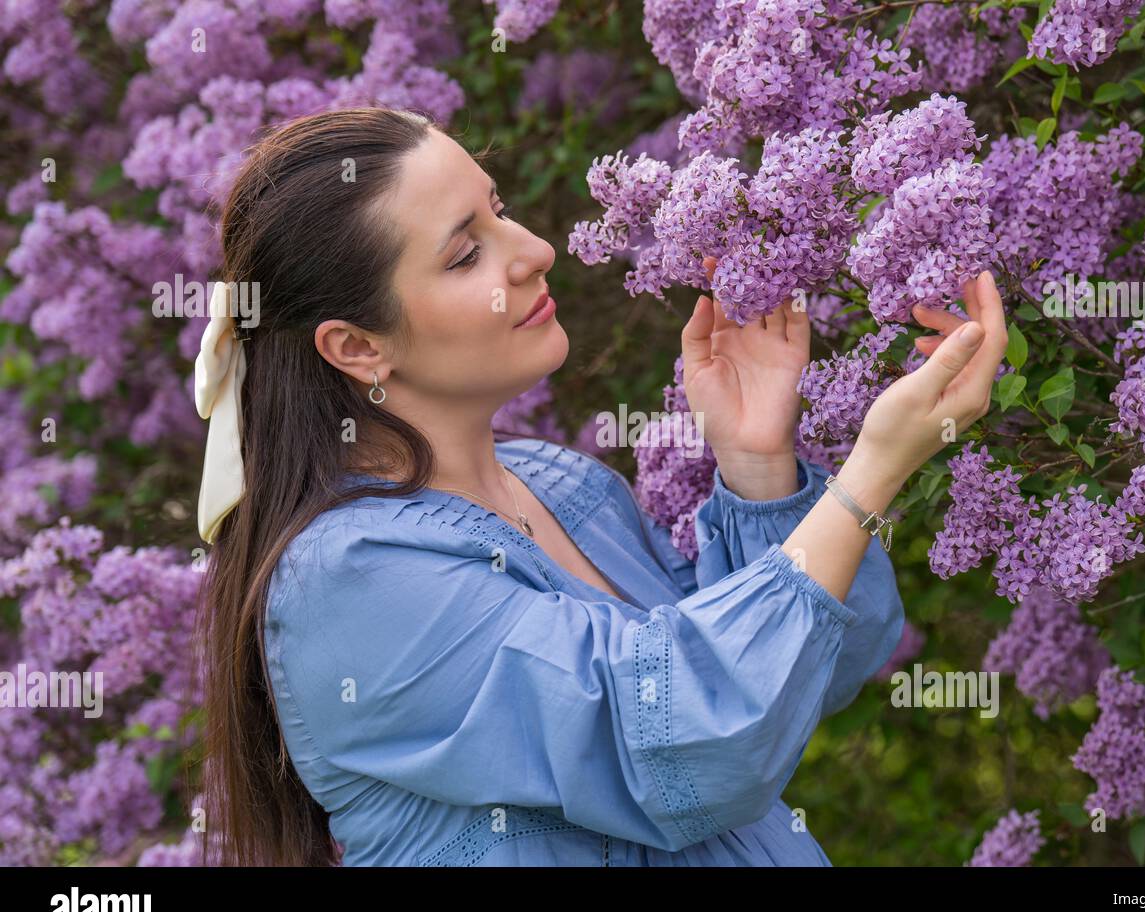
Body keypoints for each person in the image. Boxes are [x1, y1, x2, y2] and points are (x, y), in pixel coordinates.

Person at [192, 106, 1007, 866]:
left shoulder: (560, 485)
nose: (533, 249)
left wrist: (761, 471)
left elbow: (810, 673)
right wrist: (869, 474)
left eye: (499, 208)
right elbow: (690, 743)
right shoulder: (349, 578)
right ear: (359, 347)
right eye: (466, 253)